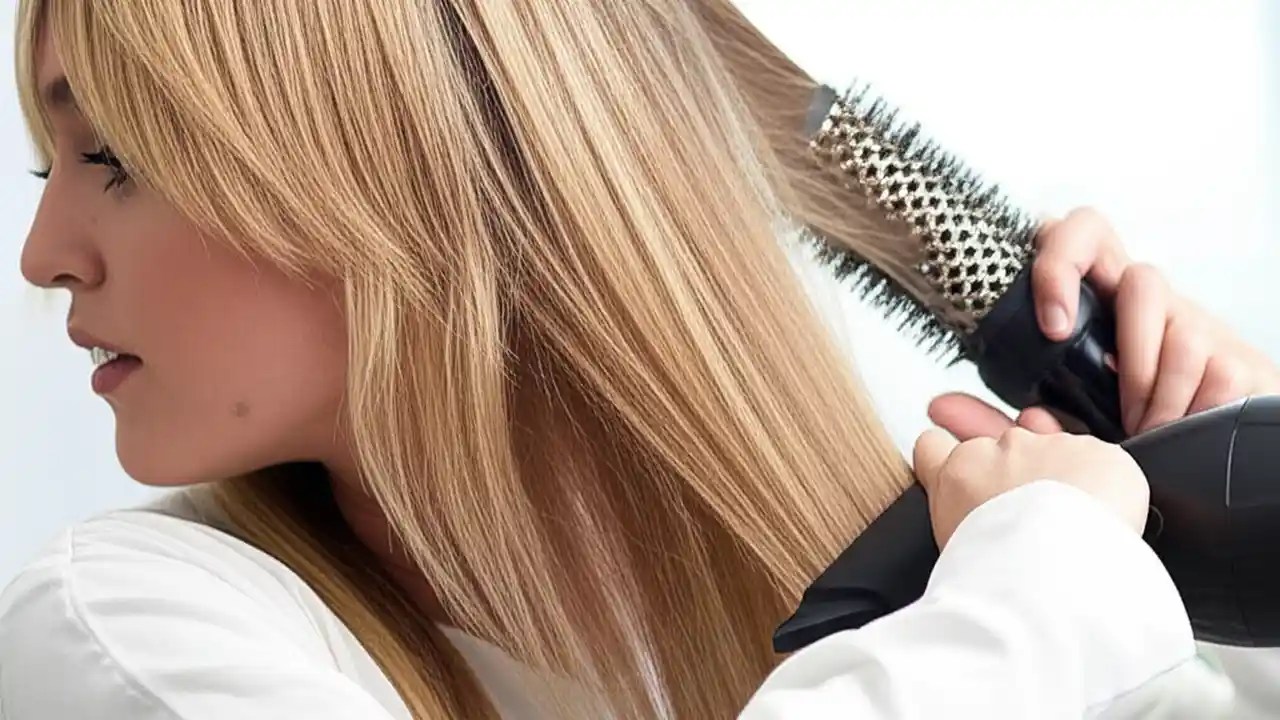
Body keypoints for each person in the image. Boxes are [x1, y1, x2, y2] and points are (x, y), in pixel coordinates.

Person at [0, 1, 1274, 718]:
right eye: (50, 167)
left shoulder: (949, 595)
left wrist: (1224, 527)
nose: (42, 254)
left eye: (115, 156)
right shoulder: (121, 630)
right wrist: (1036, 599)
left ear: (439, 163)